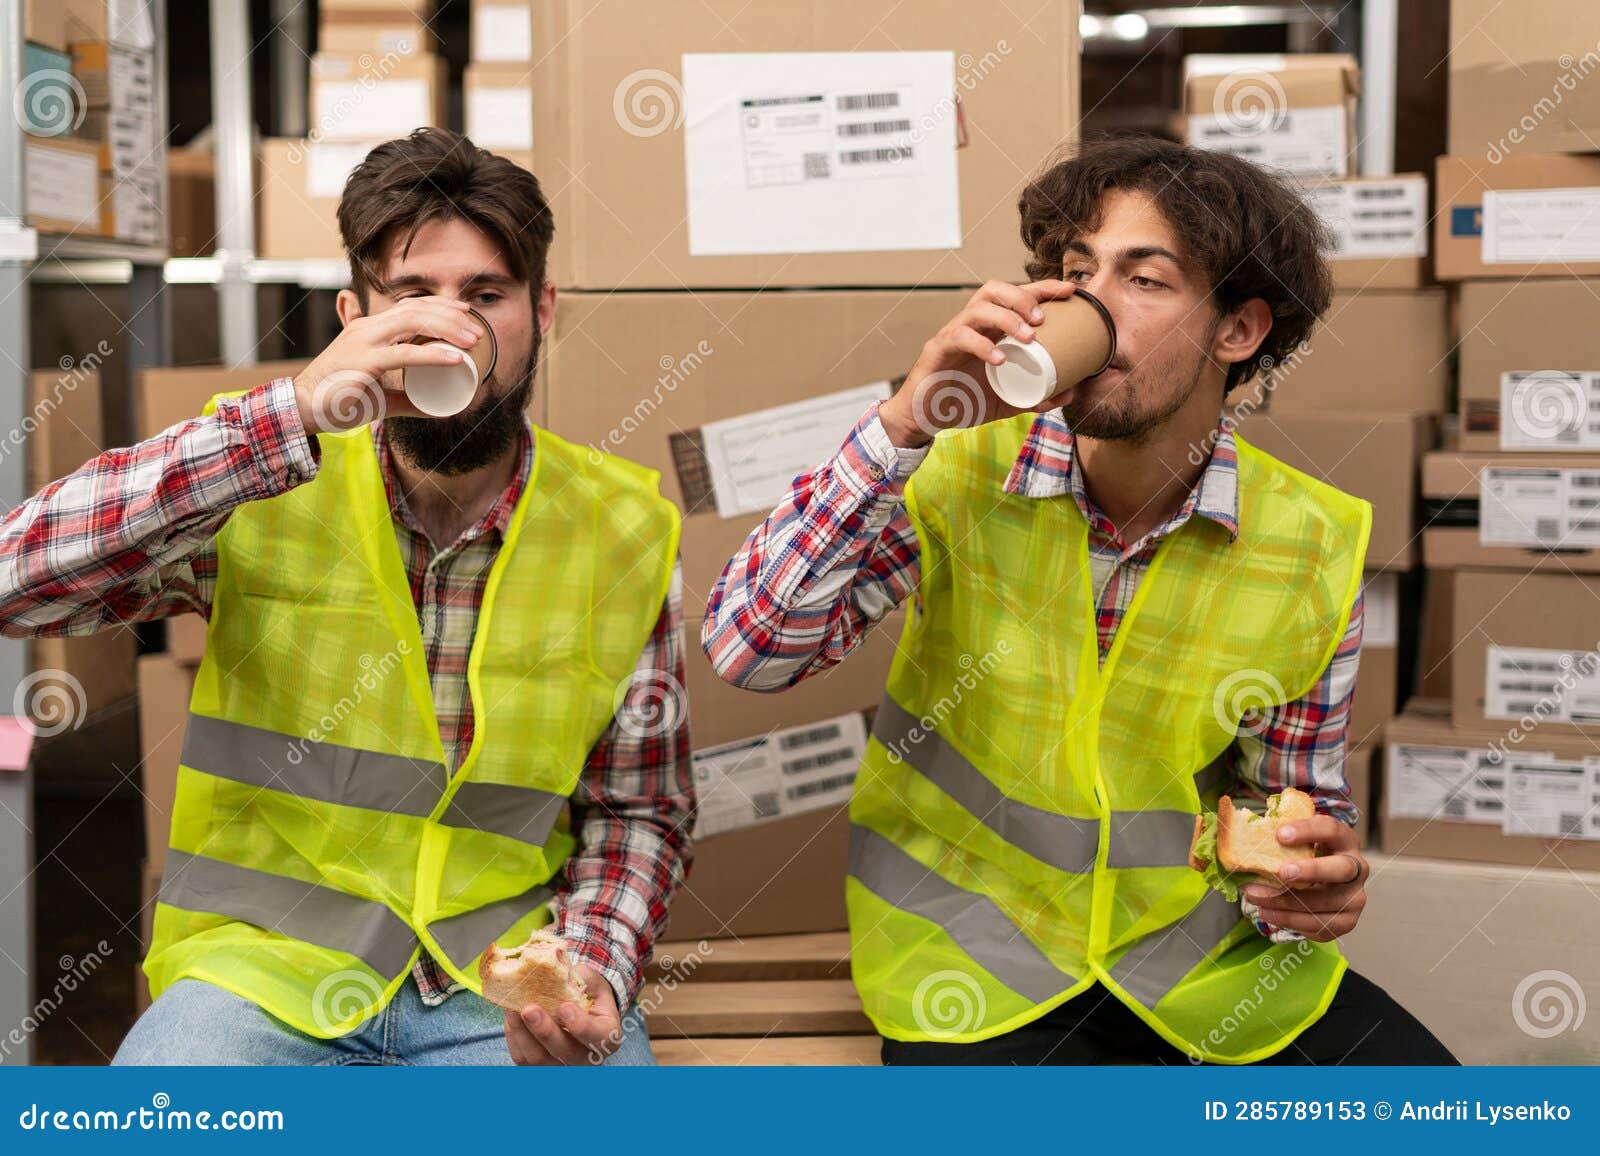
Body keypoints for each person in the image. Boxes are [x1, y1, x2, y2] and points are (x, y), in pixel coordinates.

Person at [702, 136, 1458, 1066]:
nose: (1090, 303)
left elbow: (1287, 812)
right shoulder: (952, 468)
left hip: (1195, 968)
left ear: (1238, 331)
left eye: (1143, 279)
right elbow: (751, 651)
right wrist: (906, 415)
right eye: (1073, 271)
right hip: (976, 963)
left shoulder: (1313, 538)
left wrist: (1311, 891)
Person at [0, 128, 691, 1066]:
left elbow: (639, 809)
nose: (453, 327)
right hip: (261, 981)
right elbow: (17, 582)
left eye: (486, 296)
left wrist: (594, 969)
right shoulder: (256, 474)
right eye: (414, 296)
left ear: (544, 309)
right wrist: (289, 413)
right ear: (353, 317)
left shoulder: (623, 525)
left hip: (494, 991)